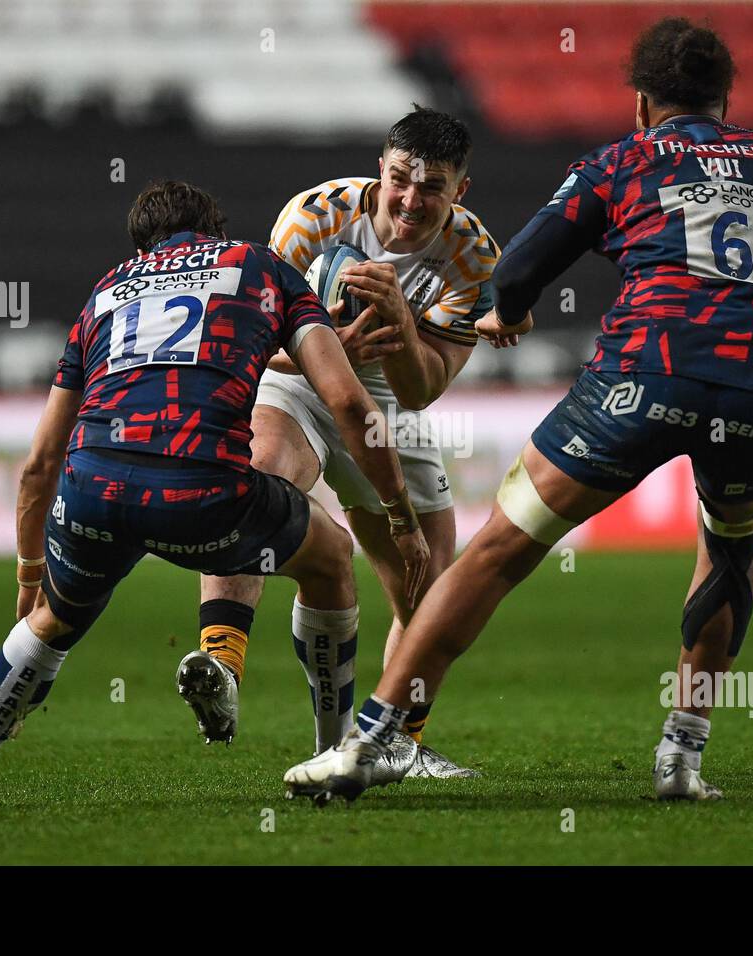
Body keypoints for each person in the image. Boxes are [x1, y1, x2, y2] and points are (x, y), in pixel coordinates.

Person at [283, 17, 753, 803]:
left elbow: (518, 272)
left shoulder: (622, 163)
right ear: (725, 103)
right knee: (728, 558)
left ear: (640, 105)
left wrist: (505, 312)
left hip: (642, 380)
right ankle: (682, 758)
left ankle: (373, 740)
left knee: (498, 551)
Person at [0, 180, 427, 808]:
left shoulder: (104, 293)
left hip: (93, 487)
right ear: (213, 227)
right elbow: (348, 401)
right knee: (330, 558)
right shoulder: (260, 266)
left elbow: (39, 463)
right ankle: (333, 756)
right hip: (203, 491)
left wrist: (29, 575)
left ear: (141, 247)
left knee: (51, 621)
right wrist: (399, 511)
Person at [185, 107, 513, 780]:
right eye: (399, 179)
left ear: (461, 192)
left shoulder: (473, 254)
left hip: (392, 399)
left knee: (429, 583)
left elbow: (423, 389)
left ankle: (396, 741)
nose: (410, 200)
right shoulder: (314, 218)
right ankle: (220, 664)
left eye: (432, 188)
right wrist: (326, 352)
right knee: (260, 478)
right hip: (298, 381)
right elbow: (251, 344)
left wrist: (396, 318)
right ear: (381, 169)